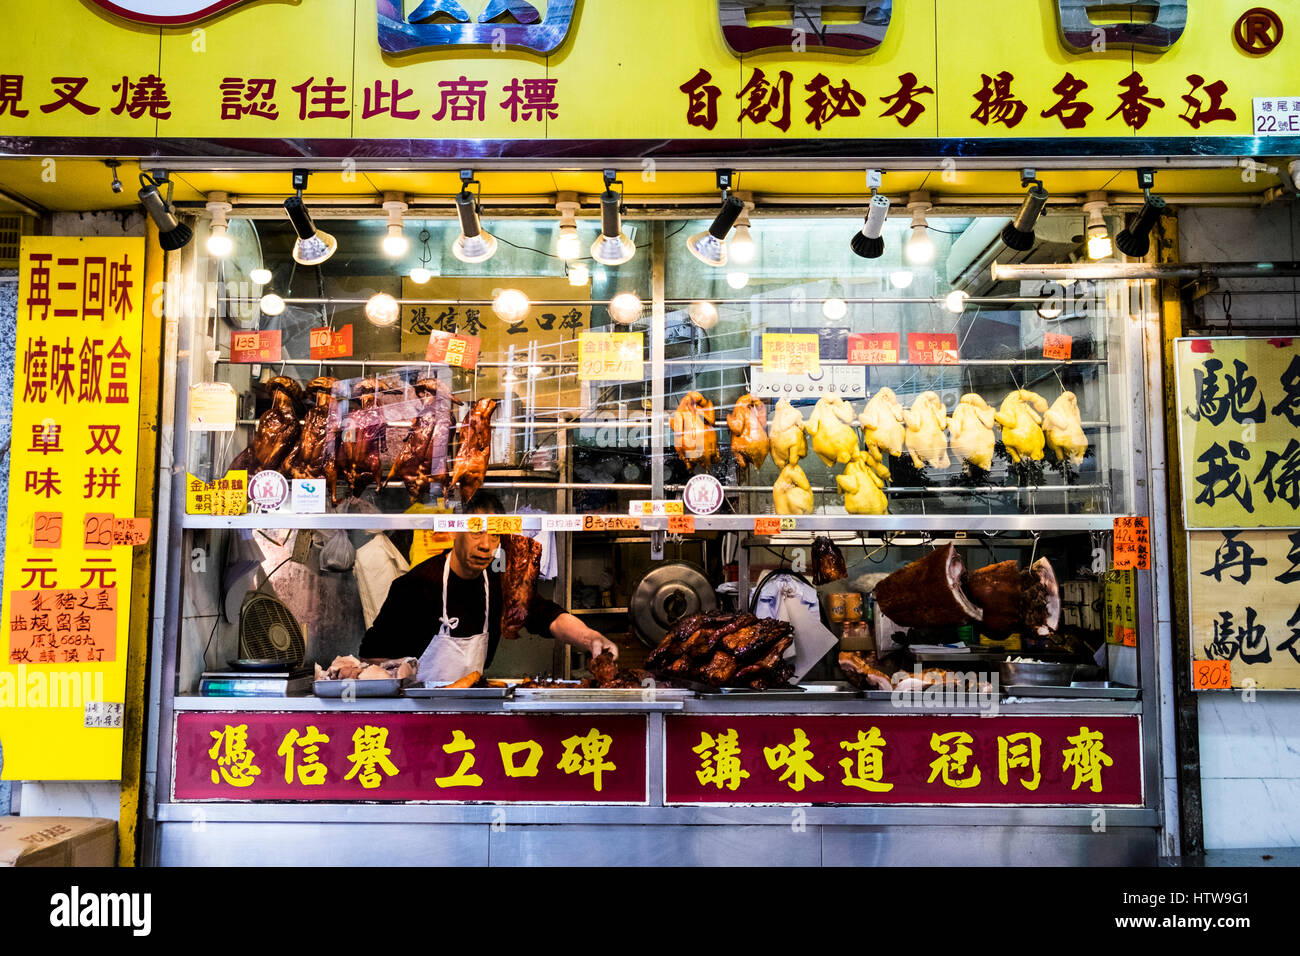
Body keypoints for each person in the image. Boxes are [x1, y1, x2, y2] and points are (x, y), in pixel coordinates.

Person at [359, 492, 617, 681]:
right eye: (476, 532)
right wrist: (408, 674)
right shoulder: (416, 585)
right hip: (416, 713)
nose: (485, 545)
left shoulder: (499, 581)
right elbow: (370, 655)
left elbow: (546, 615)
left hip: (472, 709)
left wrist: (591, 638)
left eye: (494, 535)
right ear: (454, 531)